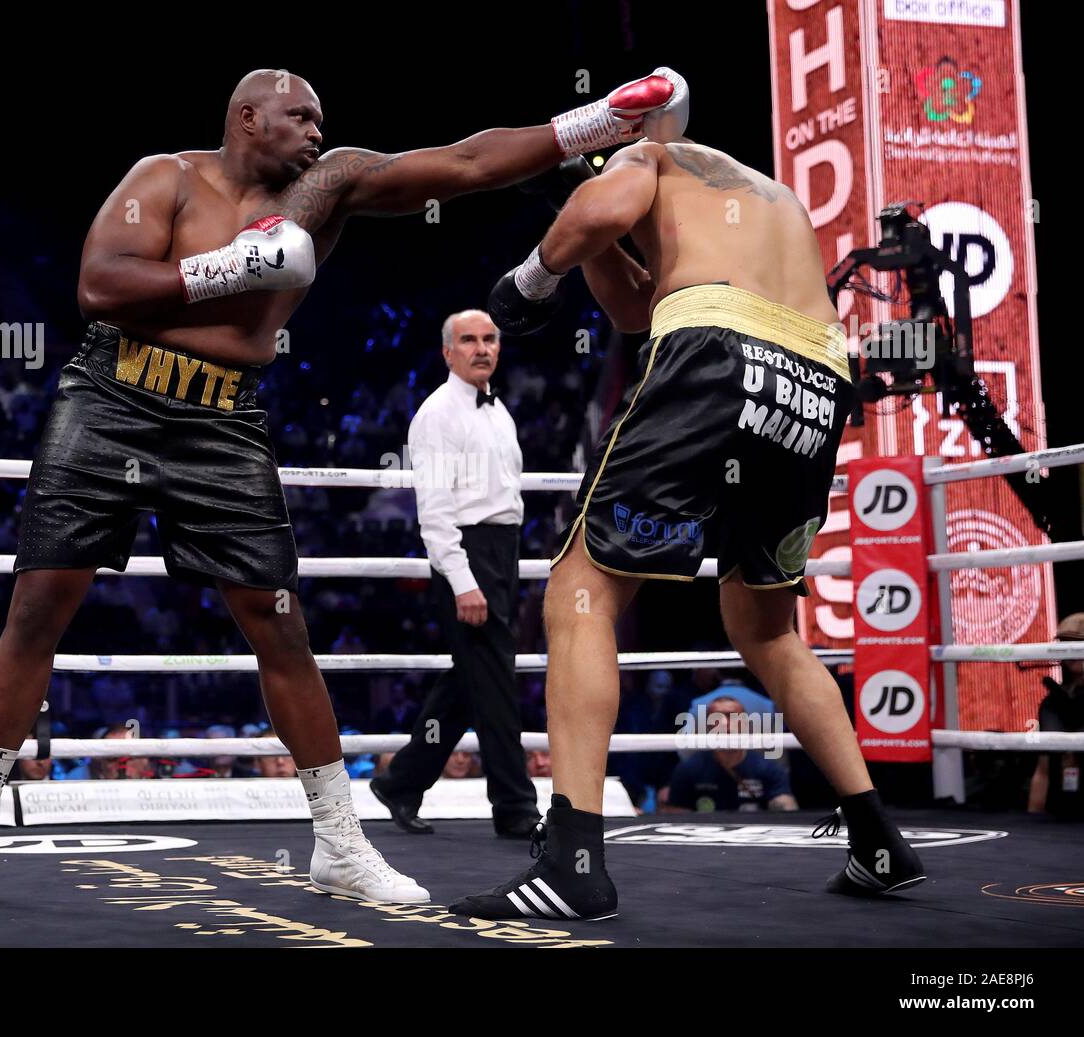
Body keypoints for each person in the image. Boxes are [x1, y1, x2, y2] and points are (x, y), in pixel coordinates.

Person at [0, 66, 686, 911]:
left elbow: (467, 163)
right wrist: (231, 268)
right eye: (300, 116)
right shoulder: (165, 178)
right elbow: (100, 288)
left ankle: (338, 842)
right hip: (110, 398)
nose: (318, 130)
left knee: (280, 624)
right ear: (248, 117)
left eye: (322, 118)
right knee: (37, 607)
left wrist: (594, 122)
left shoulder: (327, 187)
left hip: (223, 414)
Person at [454, 119, 925, 921]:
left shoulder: (655, 153)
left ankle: (571, 862)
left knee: (581, 590)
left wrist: (529, 280)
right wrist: (594, 239)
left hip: (717, 351)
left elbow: (600, 214)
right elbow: (639, 309)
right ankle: (878, 838)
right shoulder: (765, 196)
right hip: (815, 380)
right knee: (768, 626)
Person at [370, 309, 539, 838]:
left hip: (502, 550)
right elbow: (436, 509)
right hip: (468, 553)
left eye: (490, 339)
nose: (482, 348)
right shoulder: (437, 414)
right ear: (447, 351)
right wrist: (463, 579)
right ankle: (515, 808)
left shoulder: (498, 410)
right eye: (469, 340)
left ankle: (401, 782)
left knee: (472, 681)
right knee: (495, 684)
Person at [661, 696, 798, 812]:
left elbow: (786, 810)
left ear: (746, 724)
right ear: (707, 726)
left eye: (732, 716)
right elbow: (677, 819)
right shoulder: (688, 769)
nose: (724, 723)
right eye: (716, 718)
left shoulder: (768, 769)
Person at [1028, 613, 1084, 819]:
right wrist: (1032, 817)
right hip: (1059, 812)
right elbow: (1042, 768)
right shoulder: (1052, 703)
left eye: (1078, 644)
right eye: (1066, 644)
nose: (1072, 652)